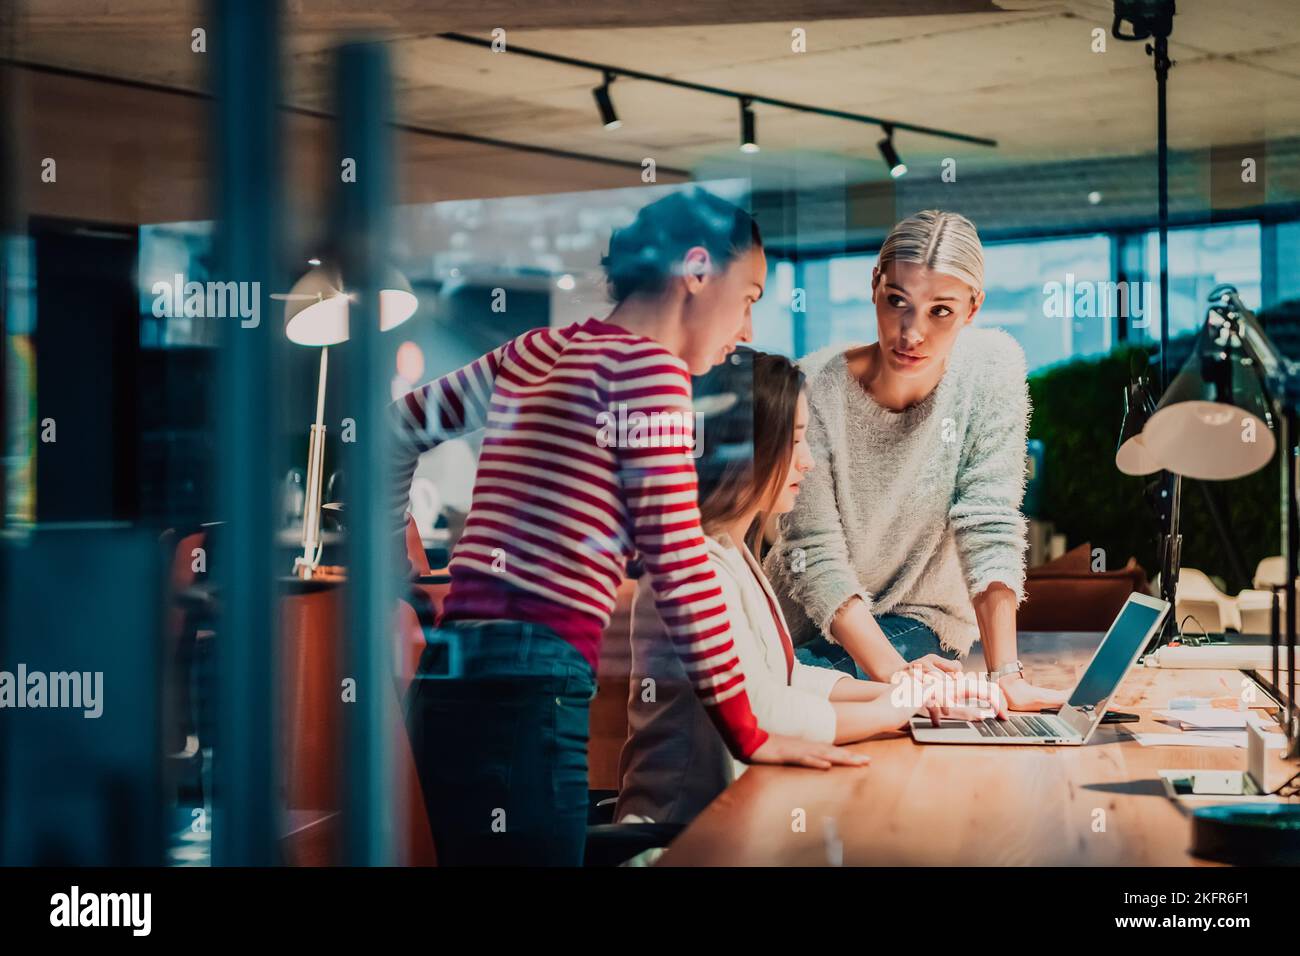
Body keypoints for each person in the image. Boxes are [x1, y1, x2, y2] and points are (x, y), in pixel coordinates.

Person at [392, 190, 867, 867]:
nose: (746, 324)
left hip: (451, 679)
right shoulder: (651, 374)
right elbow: (678, 566)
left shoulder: (537, 350)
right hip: (530, 691)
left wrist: (394, 546)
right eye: (750, 295)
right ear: (698, 273)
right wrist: (751, 736)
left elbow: (391, 432)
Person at [617, 349, 999, 828]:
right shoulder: (694, 567)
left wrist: (903, 686)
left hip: (735, 818)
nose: (809, 462)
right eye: (795, 441)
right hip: (683, 837)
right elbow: (766, 713)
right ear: (743, 447)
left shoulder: (730, 552)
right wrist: (897, 707)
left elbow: (787, 677)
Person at [764, 210, 1068, 712]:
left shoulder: (992, 369)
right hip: (810, 619)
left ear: (973, 308)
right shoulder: (815, 386)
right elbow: (813, 552)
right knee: (782, 694)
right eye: (897, 302)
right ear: (875, 286)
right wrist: (900, 678)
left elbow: (989, 521)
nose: (911, 333)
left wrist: (1005, 675)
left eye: (940, 311)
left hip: (922, 618)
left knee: (795, 700)